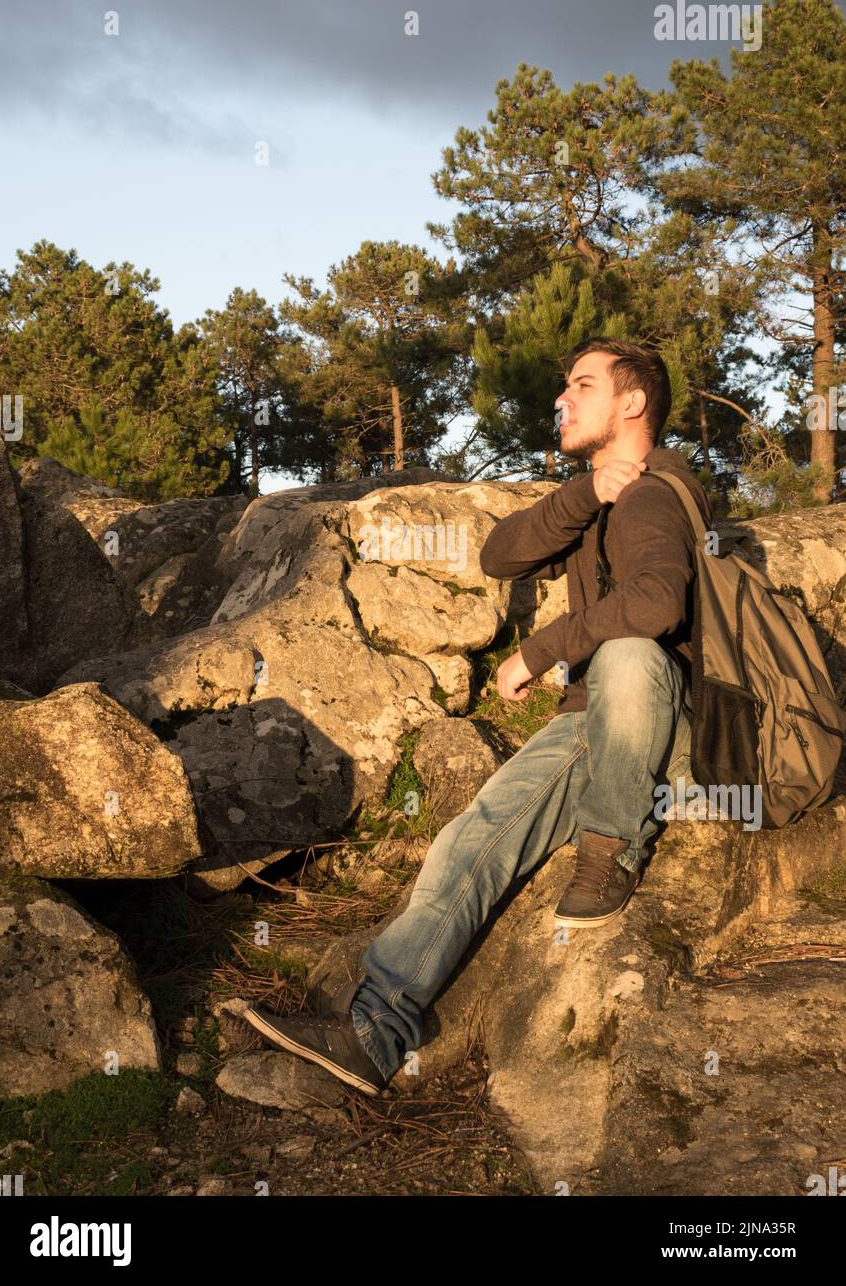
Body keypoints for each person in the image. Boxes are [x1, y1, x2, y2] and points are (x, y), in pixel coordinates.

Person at [243, 336, 713, 1095]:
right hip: (592, 725)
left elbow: (657, 604)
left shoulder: (655, 496)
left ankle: (613, 845)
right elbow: (500, 555)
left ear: (632, 403)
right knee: (470, 841)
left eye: (583, 385)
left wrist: (540, 652)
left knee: (627, 655)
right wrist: (585, 495)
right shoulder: (605, 497)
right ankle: (375, 1031)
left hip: (666, 728)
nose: (561, 398)